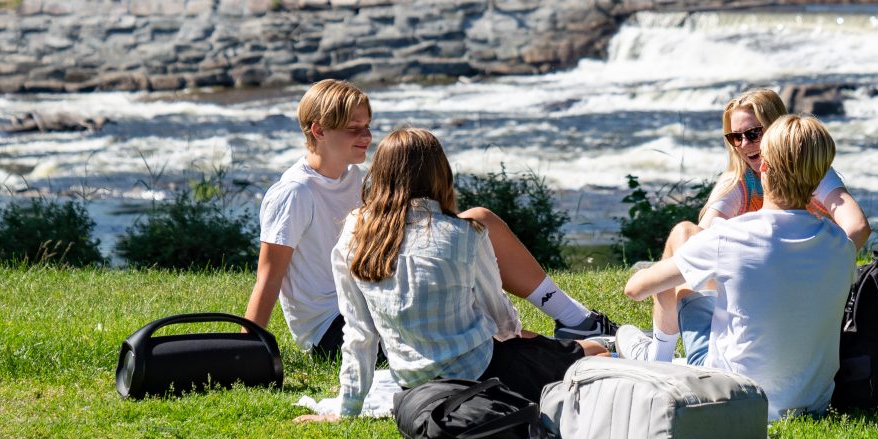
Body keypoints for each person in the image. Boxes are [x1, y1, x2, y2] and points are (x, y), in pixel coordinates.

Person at [244, 79, 609, 358]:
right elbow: (268, 278)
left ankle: (577, 321)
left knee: (479, 222)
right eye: (354, 129)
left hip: (376, 298)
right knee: (474, 330)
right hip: (334, 328)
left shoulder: (352, 178)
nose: (367, 137)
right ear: (318, 130)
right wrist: (245, 352)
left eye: (368, 126)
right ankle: (576, 349)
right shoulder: (295, 193)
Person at [298, 129, 607, 422]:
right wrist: (525, 345)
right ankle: (599, 335)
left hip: (413, 384)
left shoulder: (354, 240)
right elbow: (499, 317)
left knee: (564, 350)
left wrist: (347, 409)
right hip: (481, 370)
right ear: (440, 175)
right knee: (596, 352)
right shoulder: (464, 234)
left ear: (378, 176)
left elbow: (359, 335)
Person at [620, 115, 857, 421]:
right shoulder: (840, 244)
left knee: (682, 277)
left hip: (733, 395)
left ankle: (655, 357)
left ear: (766, 168)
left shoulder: (731, 235)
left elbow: (636, 289)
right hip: (812, 401)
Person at [700, 89, 871, 250]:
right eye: (736, 137)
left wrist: (824, 268)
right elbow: (701, 237)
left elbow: (857, 226)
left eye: (753, 133)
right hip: (763, 273)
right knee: (685, 232)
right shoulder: (740, 181)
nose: (744, 144)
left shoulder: (810, 170)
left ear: (778, 129)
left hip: (813, 269)